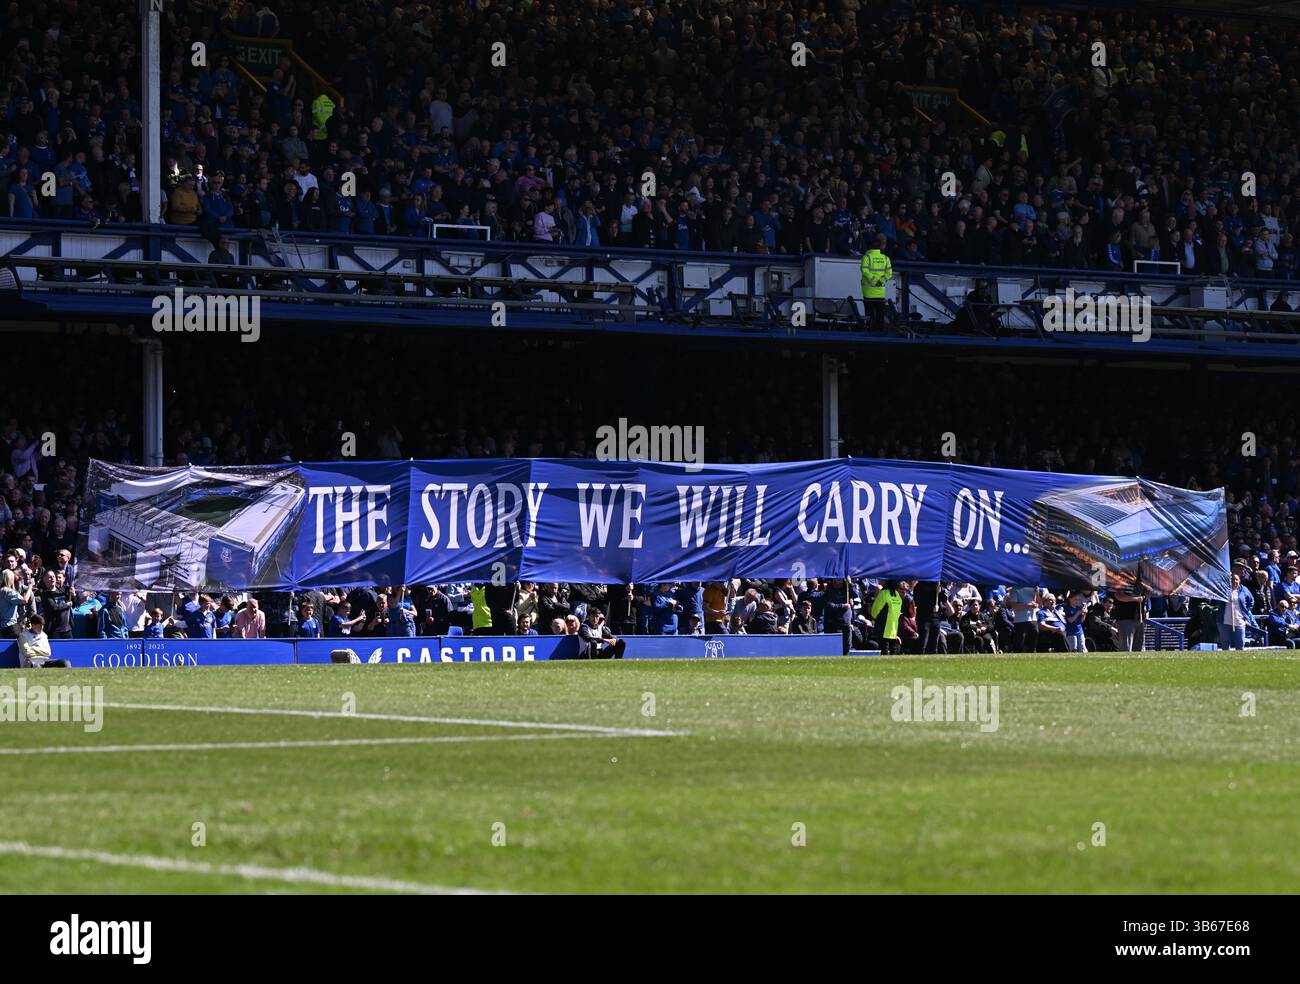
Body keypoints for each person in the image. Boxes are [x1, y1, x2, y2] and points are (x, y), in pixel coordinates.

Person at [860, 233, 892, 331]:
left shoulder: (866, 257)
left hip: (868, 291)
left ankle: (869, 332)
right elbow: (889, 273)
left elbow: (865, 271)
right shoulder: (886, 258)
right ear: (881, 244)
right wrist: (880, 281)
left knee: (869, 315)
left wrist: (873, 281)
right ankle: (879, 334)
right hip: (880, 291)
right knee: (880, 316)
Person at [869, 579, 904, 654]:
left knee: (884, 648)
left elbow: (876, 608)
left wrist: (874, 616)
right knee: (893, 649)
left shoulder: (884, 593)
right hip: (894, 626)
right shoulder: (897, 594)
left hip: (884, 625)